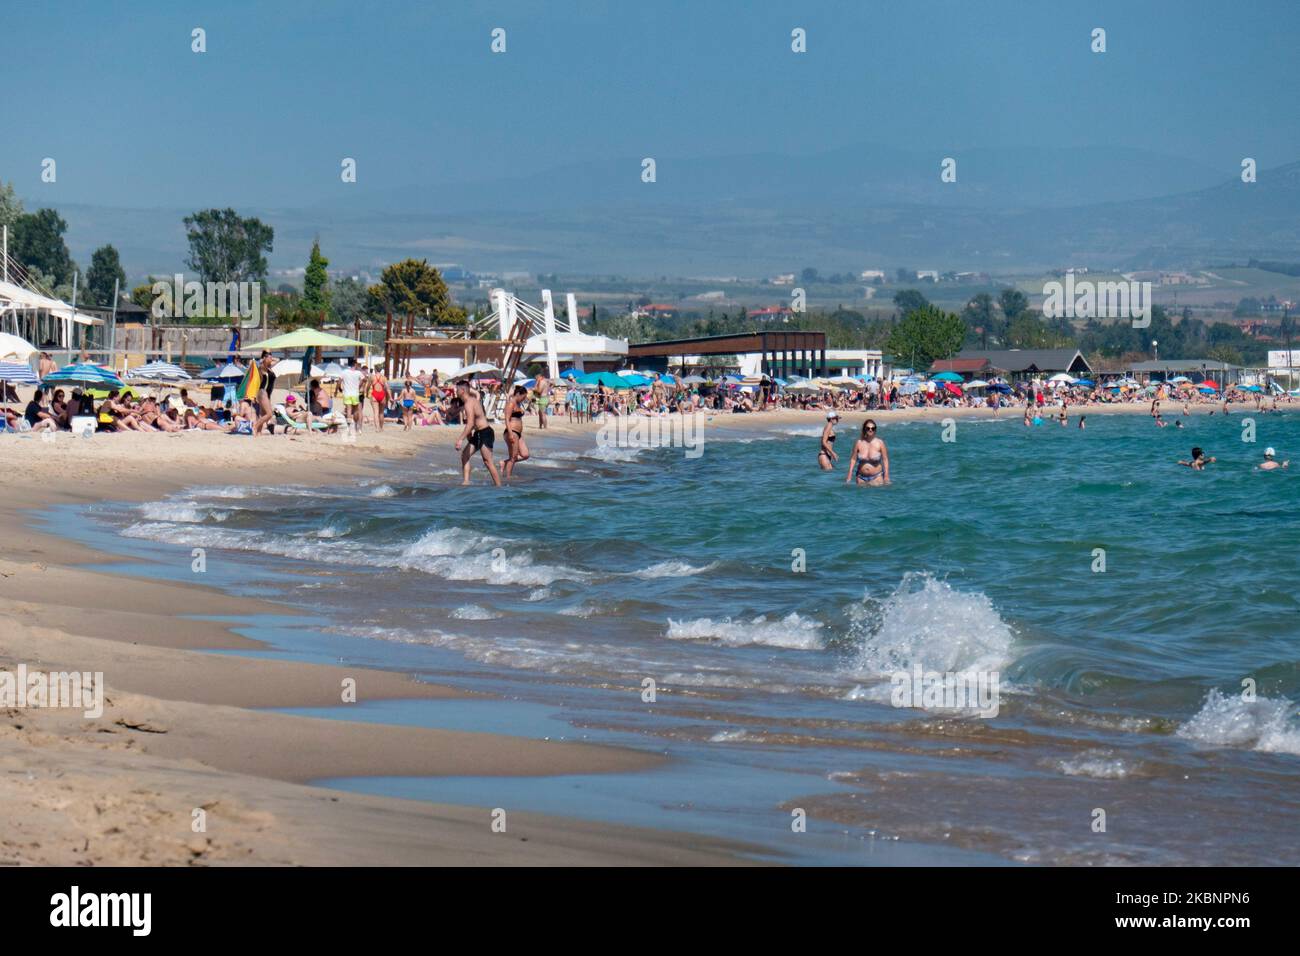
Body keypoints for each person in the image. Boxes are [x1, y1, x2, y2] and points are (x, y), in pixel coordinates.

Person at [454, 381, 502, 486]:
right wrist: (469, 436)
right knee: (465, 455)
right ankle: (466, 481)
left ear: (462, 391)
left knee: (488, 462)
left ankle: (499, 487)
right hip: (478, 433)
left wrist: (460, 439)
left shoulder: (469, 403)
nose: (455, 391)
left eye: (457, 389)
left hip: (485, 433)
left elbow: (470, 423)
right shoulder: (472, 400)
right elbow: (472, 422)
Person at [846, 419, 889, 486]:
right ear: (864, 429)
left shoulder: (880, 443)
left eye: (873, 428)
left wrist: (886, 476)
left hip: (877, 477)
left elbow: (885, 460)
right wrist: (849, 475)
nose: (870, 430)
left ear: (875, 430)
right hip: (861, 477)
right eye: (868, 428)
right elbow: (853, 459)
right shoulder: (859, 443)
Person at [503, 384, 531, 480]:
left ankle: (504, 463)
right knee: (513, 457)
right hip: (512, 431)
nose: (524, 399)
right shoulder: (511, 403)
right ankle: (508, 477)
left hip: (518, 433)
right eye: (523, 397)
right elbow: (506, 419)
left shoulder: (517, 403)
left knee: (525, 454)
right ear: (518, 394)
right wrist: (510, 433)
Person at [339, 359, 365, 430]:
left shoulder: (344, 372)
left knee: (348, 411)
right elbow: (364, 379)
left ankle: (349, 426)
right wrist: (359, 386)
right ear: (355, 364)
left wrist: (339, 388)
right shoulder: (358, 373)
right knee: (356, 410)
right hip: (355, 394)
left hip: (347, 393)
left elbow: (339, 380)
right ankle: (356, 425)